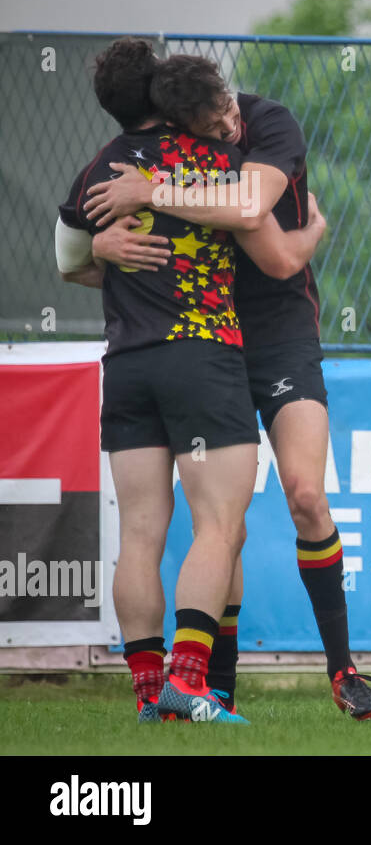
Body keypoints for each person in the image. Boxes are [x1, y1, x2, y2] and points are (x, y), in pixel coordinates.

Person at [82, 55, 371, 719]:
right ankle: (212, 684)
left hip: (276, 334)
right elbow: (74, 250)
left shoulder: (269, 121)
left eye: (226, 110)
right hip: (206, 342)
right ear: (176, 123)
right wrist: (101, 249)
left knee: (305, 494)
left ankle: (343, 671)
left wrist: (147, 195)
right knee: (226, 525)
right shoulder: (186, 153)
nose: (226, 125)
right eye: (209, 122)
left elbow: (259, 224)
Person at [56, 36, 257, 724]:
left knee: (140, 531)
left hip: (127, 365)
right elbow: (256, 214)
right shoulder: (209, 159)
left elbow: (66, 262)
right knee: (219, 522)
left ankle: (148, 695)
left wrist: (106, 255)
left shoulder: (97, 170)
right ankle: (190, 683)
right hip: (200, 358)